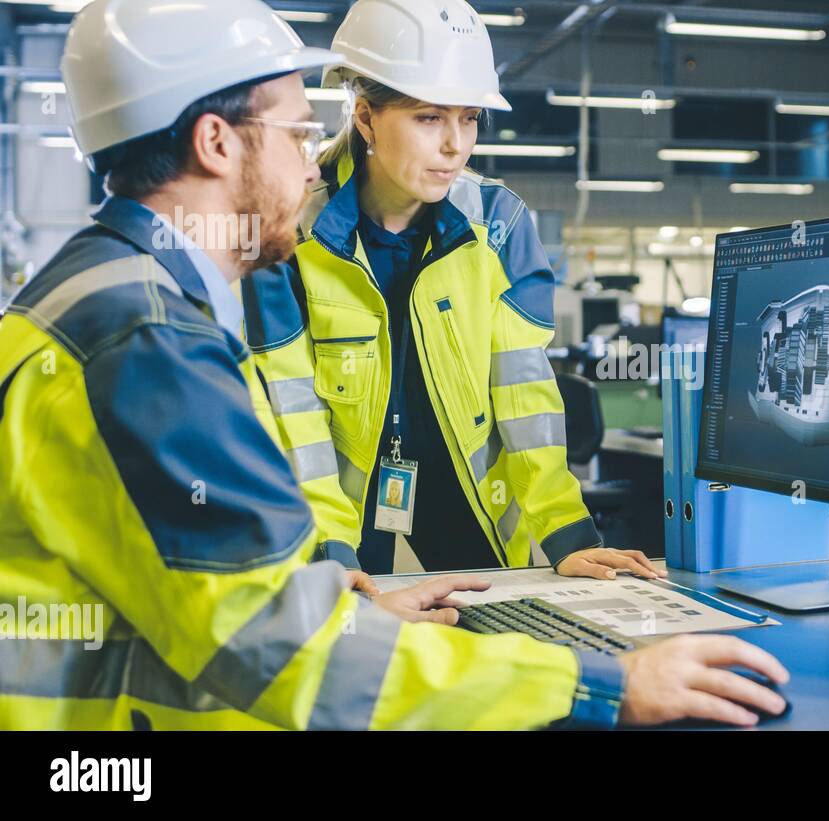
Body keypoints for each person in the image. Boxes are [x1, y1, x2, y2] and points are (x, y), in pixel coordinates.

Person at [0, 0, 787, 731]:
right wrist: (598, 686)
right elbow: (288, 650)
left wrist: (344, 604)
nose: (313, 167)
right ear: (215, 142)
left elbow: (229, 605)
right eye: (299, 136)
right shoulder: (146, 342)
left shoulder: (102, 295)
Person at [243, 0, 658, 580]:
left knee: (495, 649)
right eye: (429, 118)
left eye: (468, 118)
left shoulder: (500, 224)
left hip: (474, 503)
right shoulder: (289, 235)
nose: (455, 145)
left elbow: (524, 393)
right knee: (360, 653)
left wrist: (566, 532)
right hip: (341, 507)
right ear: (365, 118)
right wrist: (328, 554)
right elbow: (293, 411)